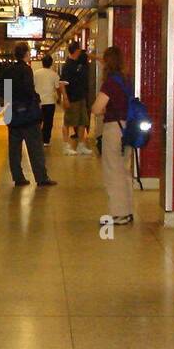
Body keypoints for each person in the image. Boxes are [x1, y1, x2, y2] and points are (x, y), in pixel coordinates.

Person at [92, 46, 134, 225]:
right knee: (124, 170)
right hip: (129, 128)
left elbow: (96, 108)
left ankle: (119, 213)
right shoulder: (127, 80)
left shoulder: (110, 83)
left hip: (114, 129)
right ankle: (127, 210)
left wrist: (101, 111)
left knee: (113, 170)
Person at [6, 41, 56, 188]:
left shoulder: (8, 70)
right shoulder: (26, 70)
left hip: (13, 114)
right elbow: (29, 90)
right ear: (27, 54)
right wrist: (36, 101)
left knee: (14, 150)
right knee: (35, 147)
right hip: (28, 115)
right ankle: (41, 178)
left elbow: (1, 89)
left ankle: (18, 178)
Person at [59, 40, 91, 154]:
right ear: (75, 51)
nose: (80, 52)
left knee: (82, 121)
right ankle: (66, 145)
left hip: (81, 96)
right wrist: (65, 98)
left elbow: (88, 55)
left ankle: (81, 145)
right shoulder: (67, 65)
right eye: (79, 50)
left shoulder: (80, 60)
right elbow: (62, 83)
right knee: (68, 122)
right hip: (72, 97)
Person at [33, 54, 60, 147]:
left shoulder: (36, 73)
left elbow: (32, 86)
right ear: (51, 63)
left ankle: (37, 138)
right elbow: (57, 88)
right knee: (48, 122)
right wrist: (59, 98)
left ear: (42, 63)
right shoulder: (54, 74)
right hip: (50, 101)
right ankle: (46, 140)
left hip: (38, 102)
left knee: (37, 121)